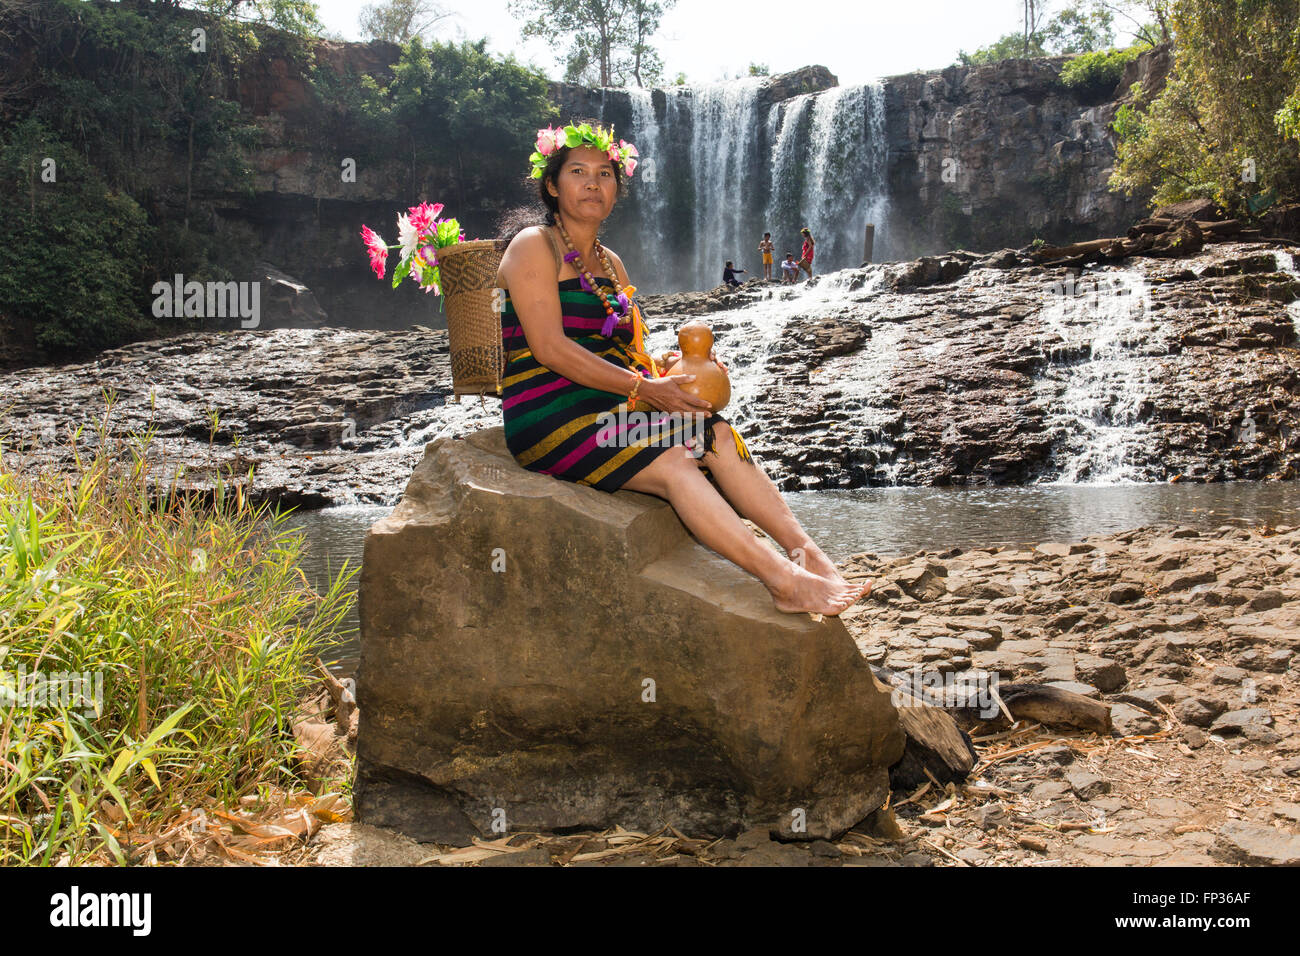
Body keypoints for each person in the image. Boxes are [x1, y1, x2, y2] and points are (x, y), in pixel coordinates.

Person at [494, 120, 870, 618]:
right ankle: (782, 581)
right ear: (552, 186)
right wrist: (644, 388)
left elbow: (634, 350)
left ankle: (815, 562)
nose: (592, 183)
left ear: (616, 188)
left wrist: (679, 367)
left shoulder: (612, 264)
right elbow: (550, 349)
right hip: (549, 411)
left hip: (608, 403)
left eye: (605, 174)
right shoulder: (532, 246)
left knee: (713, 432)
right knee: (674, 461)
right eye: (578, 172)